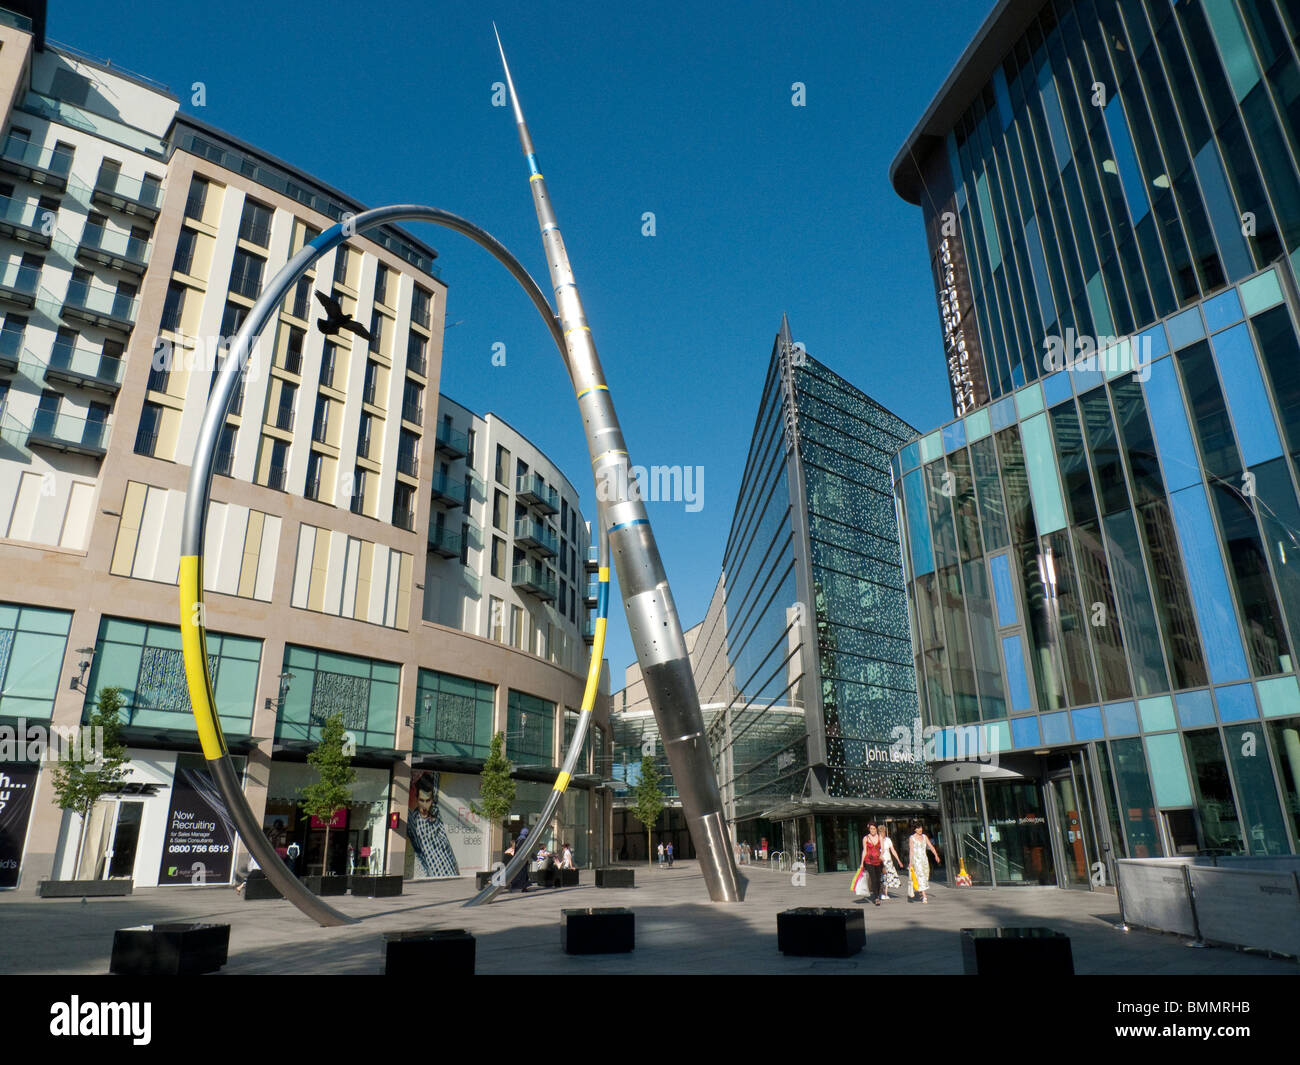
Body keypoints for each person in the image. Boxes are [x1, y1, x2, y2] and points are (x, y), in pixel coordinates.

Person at [407, 772, 459, 878]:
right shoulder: (413, 820)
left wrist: (455, 866)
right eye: (422, 800)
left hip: (450, 870)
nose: (425, 805)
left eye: (428, 800)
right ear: (416, 799)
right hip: (436, 874)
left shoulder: (435, 811)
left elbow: (446, 844)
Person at [908, 821, 941, 903]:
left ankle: (921, 890)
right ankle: (924, 896)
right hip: (917, 860)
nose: (920, 829)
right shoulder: (912, 838)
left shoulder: (924, 837)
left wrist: (936, 855)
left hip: (924, 860)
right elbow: (911, 851)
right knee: (920, 876)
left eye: (921, 827)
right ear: (915, 829)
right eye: (918, 828)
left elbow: (930, 846)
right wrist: (910, 862)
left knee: (926, 875)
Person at [859, 822, 884, 905]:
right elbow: (864, 851)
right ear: (869, 829)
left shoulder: (880, 837)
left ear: (876, 829)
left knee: (878, 879)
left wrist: (881, 855)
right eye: (871, 829)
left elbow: (882, 849)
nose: (872, 830)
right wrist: (862, 863)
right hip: (869, 861)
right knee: (873, 878)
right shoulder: (865, 838)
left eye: (873, 829)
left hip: (878, 861)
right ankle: (876, 898)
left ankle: (877, 892)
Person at [879, 826, 902, 900]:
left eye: (884, 831)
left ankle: (885, 893)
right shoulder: (877, 840)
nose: (883, 833)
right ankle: (883, 893)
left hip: (888, 861)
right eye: (881, 832)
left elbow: (893, 850)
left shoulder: (888, 840)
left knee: (887, 877)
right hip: (881, 861)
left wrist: (898, 860)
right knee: (883, 877)